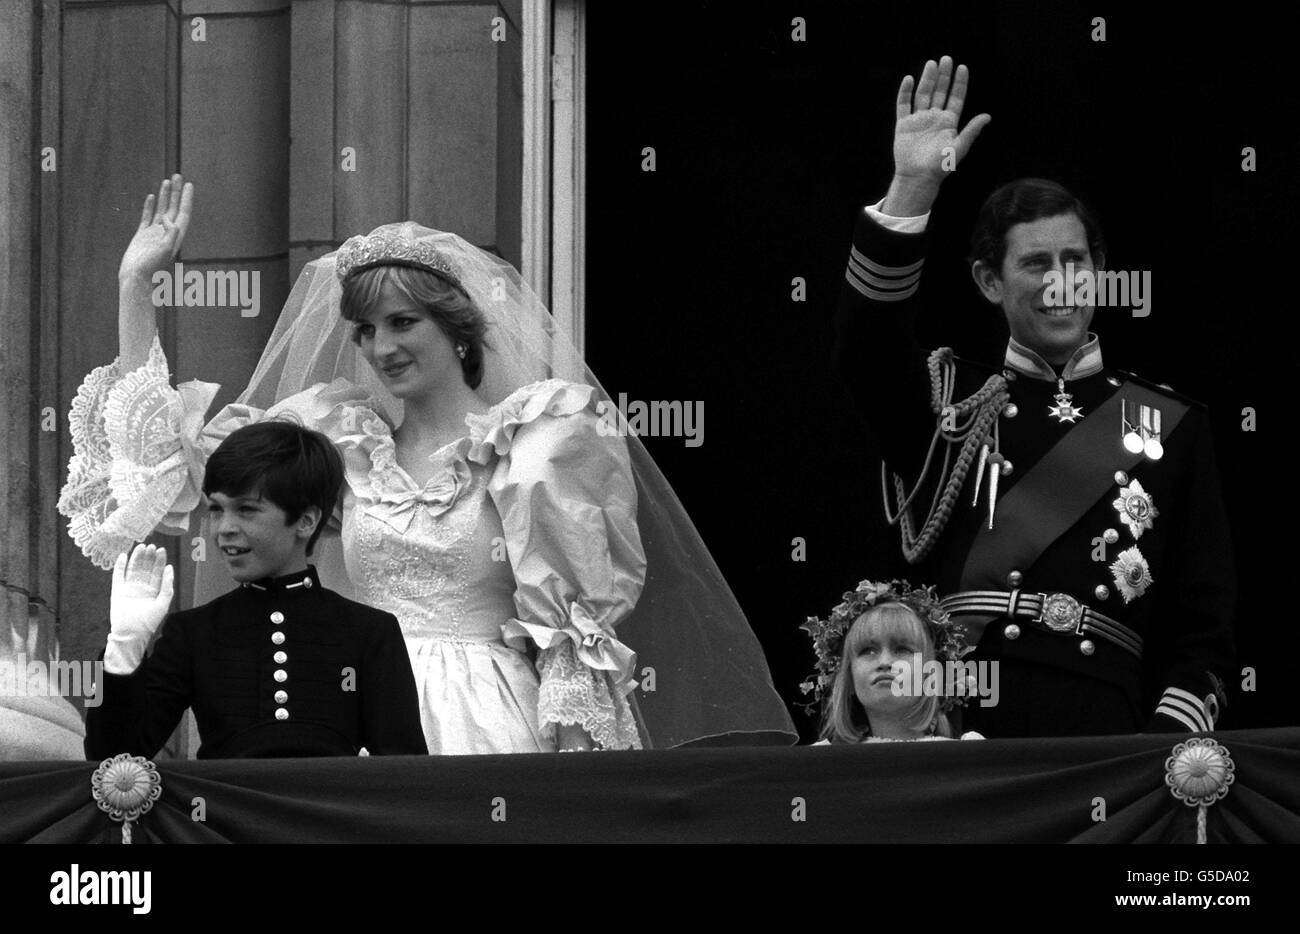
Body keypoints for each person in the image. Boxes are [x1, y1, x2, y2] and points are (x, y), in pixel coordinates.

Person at [60, 174, 796, 753]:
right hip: (346, 716)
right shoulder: (333, 440)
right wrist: (137, 291)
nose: (382, 347)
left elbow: (573, 647)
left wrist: (581, 779)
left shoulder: (541, 444)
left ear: (459, 328)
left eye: (403, 322)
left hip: (493, 722)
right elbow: (170, 468)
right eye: (366, 329)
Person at [831, 57, 1235, 737]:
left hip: (1107, 728)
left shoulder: (1169, 423)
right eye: (1036, 264)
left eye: (1076, 262)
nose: (1062, 283)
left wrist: (1161, 747)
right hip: (961, 720)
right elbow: (864, 353)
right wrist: (910, 190)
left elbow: (1204, 621)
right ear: (990, 281)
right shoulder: (947, 399)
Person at [85, 422, 426, 759]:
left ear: (306, 521)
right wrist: (124, 647)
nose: (224, 529)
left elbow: (403, 776)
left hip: (332, 812)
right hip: (218, 813)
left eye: (246, 510)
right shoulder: (193, 633)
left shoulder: (370, 632)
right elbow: (112, 759)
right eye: (216, 509)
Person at [801, 579, 982, 743]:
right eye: (868, 651)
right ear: (848, 677)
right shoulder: (819, 764)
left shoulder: (969, 757)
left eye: (902, 649)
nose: (885, 661)